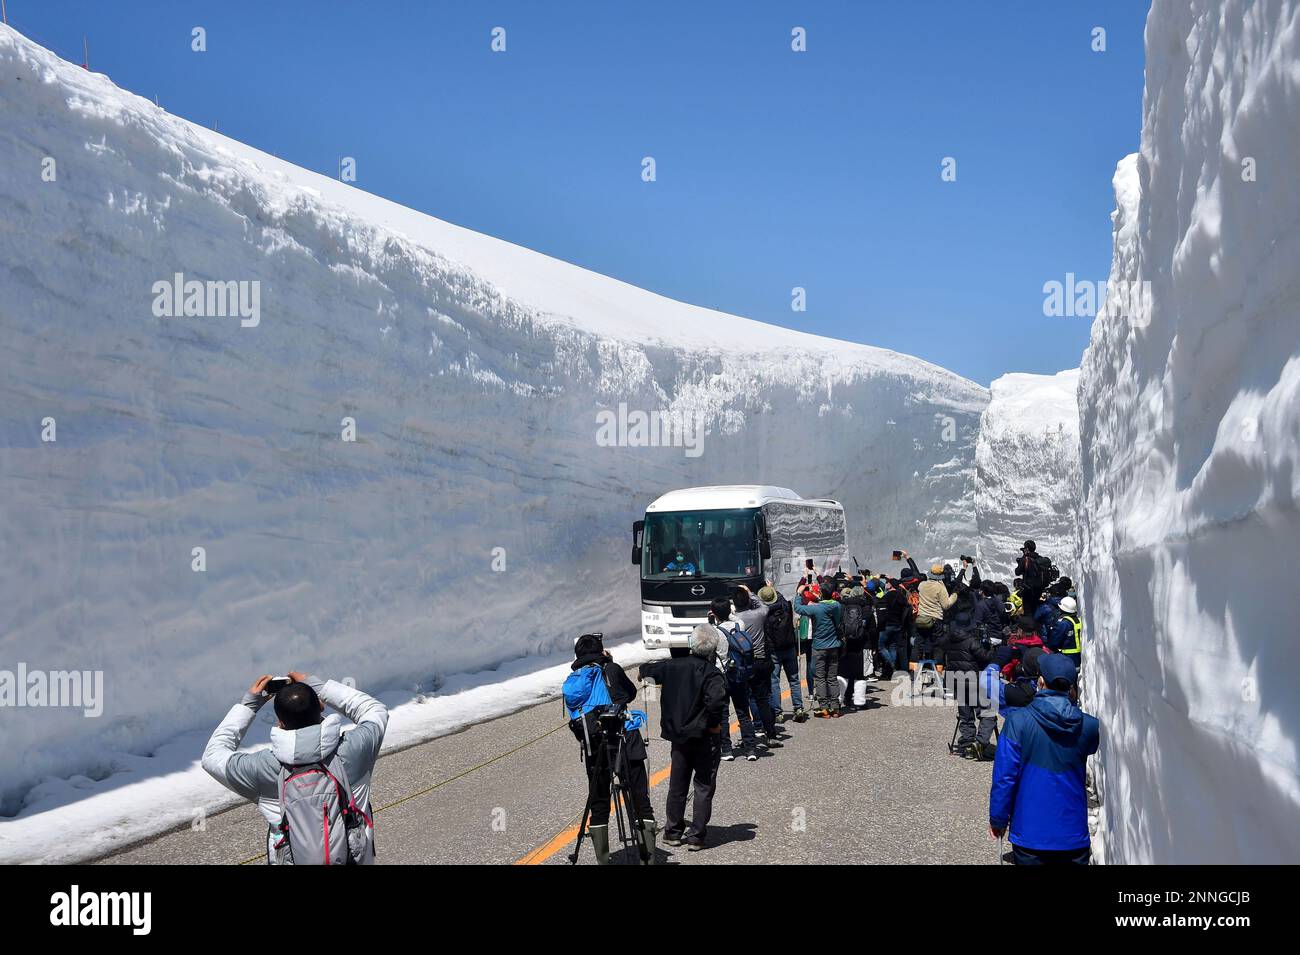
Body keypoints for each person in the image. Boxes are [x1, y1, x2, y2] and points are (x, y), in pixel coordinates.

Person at [202, 670, 388, 865]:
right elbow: (374, 710)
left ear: (280, 722)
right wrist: (320, 687)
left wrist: (248, 705)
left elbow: (212, 756)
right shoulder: (354, 750)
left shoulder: (263, 768)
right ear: (321, 706)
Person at [989, 654, 1100, 865]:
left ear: (1041, 681)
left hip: (1030, 832)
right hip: (1072, 833)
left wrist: (998, 819)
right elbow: (1090, 747)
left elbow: (1005, 777)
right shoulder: (1089, 726)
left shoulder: (1017, 722)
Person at [562, 634, 656, 864]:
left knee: (599, 800)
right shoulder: (610, 670)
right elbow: (629, 694)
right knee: (639, 796)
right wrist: (610, 664)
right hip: (623, 738)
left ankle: (603, 858)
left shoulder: (574, 679)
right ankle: (649, 857)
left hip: (594, 745)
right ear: (601, 650)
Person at [639, 625, 728, 851]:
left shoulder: (672, 666)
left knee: (678, 784)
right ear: (713, 647)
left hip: (678, 736)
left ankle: (673, 831)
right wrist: (714, 723)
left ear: (691, 643)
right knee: (703, 786)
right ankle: (696, 836)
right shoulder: (712, 673)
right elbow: (717, 701)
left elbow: (646, 669)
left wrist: (645, 672)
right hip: (705, 736)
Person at [940, 605, 997, 759]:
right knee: (987, 712)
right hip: (973, 680)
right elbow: (985, 657)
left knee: (965, 715)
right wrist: (991, 649)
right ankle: (980, 742)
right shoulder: (972, 641)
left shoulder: (948, 639)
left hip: (957, 680)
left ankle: (966, 744)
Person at [731, 585, 783, 749]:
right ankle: (771, 734)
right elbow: (764, 605)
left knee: (744, 701)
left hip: (742, 664)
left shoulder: (734, 619)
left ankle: (749, 737)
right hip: (761, 660)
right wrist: (750, 592)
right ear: (748, 600)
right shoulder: (758, 614)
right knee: (763, 700)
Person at [711, 596, 759, 761]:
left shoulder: (715, 632)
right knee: (743, 712)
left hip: (722, 676)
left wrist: (714, 618)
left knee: (723, 714)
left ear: (715, 614)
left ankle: (726, 750)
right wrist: (724, 611)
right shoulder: (740, 625)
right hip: (740, 674)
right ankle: (751, 749)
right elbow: (733, 617)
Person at [794, 581, 843, 717]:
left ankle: (824, 707)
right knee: (832, 677)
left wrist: (799, 593)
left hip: (819, 646)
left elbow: (798, 608)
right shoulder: (837, 606)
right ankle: (835, 707)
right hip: (834, 645)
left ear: (821, 594)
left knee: (820, 677)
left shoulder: (816, 608)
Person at [761, 585, 807, 723]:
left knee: (774, 681)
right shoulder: (786, 606)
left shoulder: (764, 612)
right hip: (789, 647)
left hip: (774, 650)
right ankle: (798, 708)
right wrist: (773, 589)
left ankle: (778, 712)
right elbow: (781, 598)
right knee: (794, 678)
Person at [916, 563, 957, 671]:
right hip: (935, 619)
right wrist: (954, 595)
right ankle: (938, 669)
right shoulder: (940, 587)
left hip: (921, 618)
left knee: (919, 644)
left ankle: (914, 669)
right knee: (937, 645)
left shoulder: (922, 585)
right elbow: (946, 605)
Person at [1057, 596, 1082, 663]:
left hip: (1067, 656)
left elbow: (1054, 640)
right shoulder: (1078, 620)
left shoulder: (1064, 623)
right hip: (1079, 655)